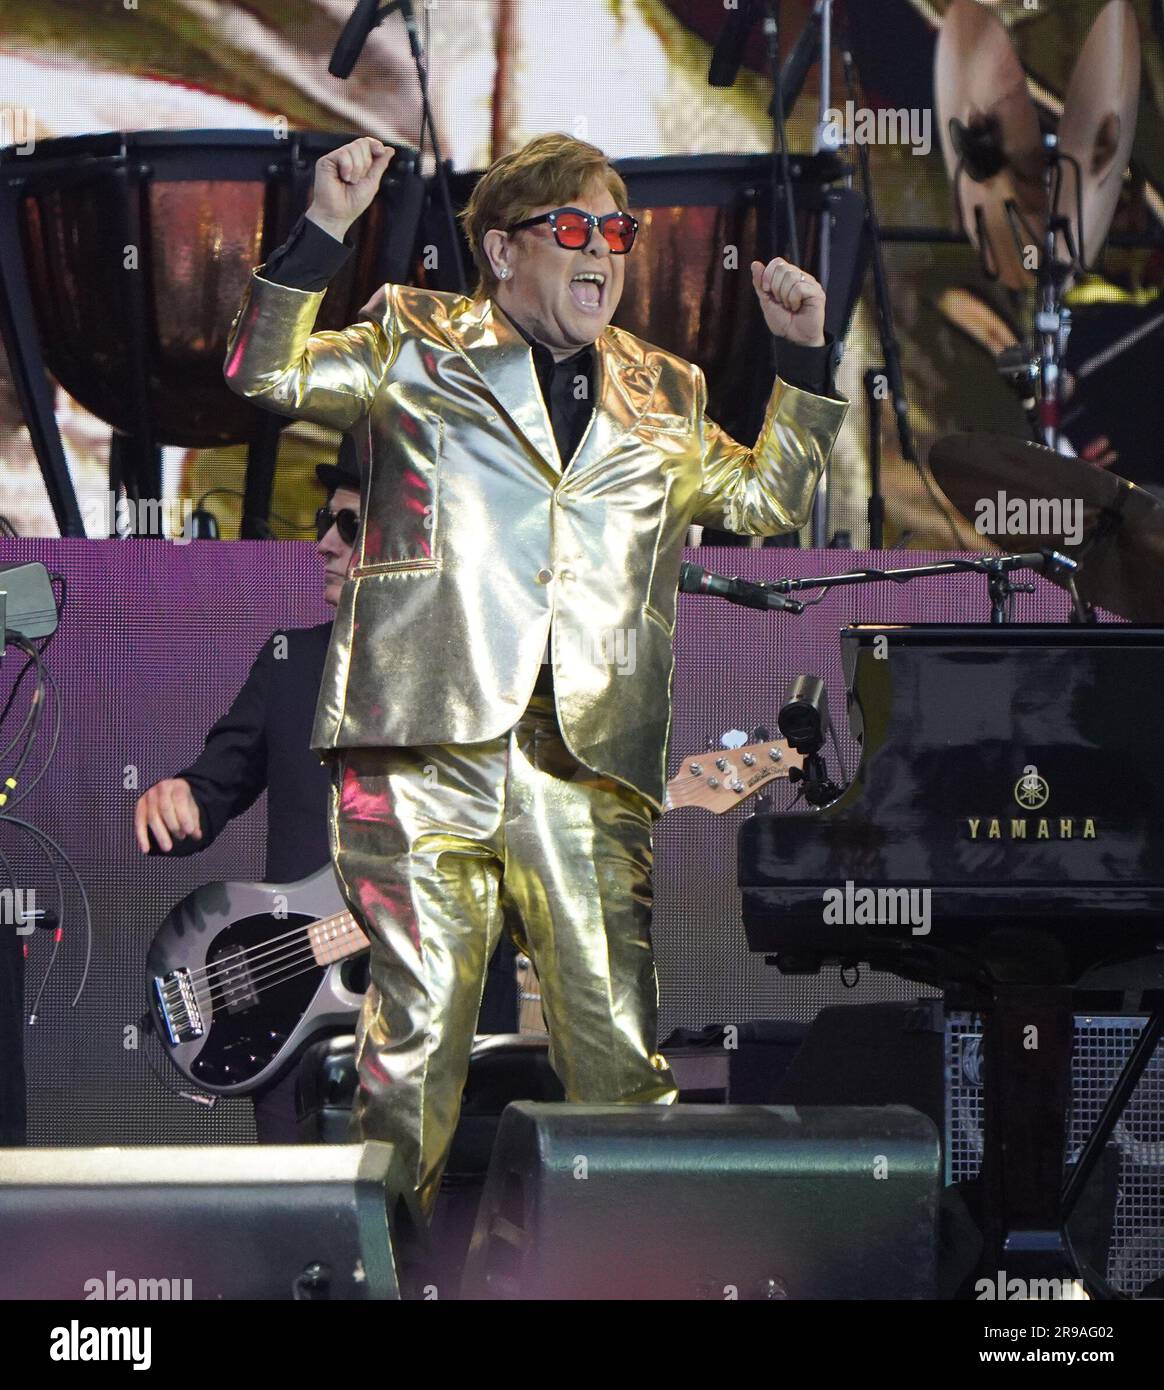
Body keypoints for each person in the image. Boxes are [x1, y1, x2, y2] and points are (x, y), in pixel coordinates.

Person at [224, 131, 848, 1212]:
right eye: (574, 228)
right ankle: (375, 1282)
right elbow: (262, 370)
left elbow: (769, 502)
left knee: (616, 1056)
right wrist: (325, 225)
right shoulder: (414, 338)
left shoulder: (669, 389)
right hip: (423, 746)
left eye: (619, 230)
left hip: (587, 762)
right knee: (411, 1052)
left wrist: (799, 358)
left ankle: (623, 1280)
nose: (602, 249)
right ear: (504, 251)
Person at [133, 447, 518, 1139]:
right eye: (322, 522)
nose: (324, 545)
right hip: (300, 1009)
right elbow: (211, 788)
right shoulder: (291, 662)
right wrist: (179, 798)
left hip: (443, 1012)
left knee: (448, 1227)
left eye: (348, 525)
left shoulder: (487, 677)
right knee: (304, 1219)